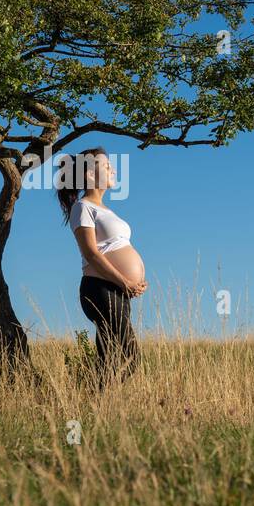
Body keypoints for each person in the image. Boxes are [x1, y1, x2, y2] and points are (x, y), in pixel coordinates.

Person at [55, 148, 146, 385]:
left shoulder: (106, 210)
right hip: (101, 288)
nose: (113, 170)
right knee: (130, 356)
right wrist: (124, 280)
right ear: (89, 175)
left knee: (108, 356)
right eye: (106, 166)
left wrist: (133, 282)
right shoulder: (83, 208)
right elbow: (91, 253)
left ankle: (96, 405)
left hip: (117, 289)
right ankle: (99, 400)